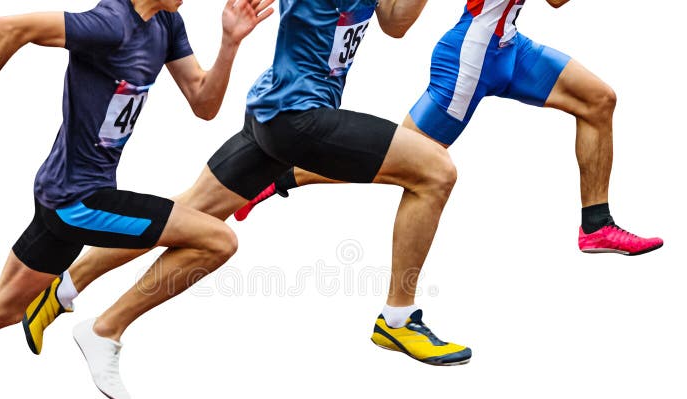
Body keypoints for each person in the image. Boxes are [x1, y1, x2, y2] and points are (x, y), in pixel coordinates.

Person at [23, 0, 472, 399]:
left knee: (191, 214)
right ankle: (397, 321)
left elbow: (395, 23)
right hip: (300, 118)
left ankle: (63, 290)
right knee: (436, 173)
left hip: (272, 114)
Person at [0, 0, 274, 399]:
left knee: (0, 308)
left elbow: (203, 104)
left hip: (66, 196)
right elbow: (9, 26)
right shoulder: (110, 23)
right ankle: (104, 330)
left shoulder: (167, 24)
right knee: (218, 239)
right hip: (78, 203)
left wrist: (230, 43)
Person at [235, 0, 664, 258]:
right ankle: (282, 176)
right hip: (470, 60)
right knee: (398, 157)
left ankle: (596, 225)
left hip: (510, 48)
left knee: (598, 100)